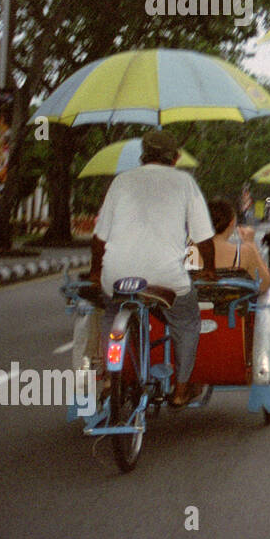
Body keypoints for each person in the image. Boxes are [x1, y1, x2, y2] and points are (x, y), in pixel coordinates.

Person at [90, 129, 215, 407]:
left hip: (117, 276)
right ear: (176, 157)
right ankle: (181, 389)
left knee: (111, 310)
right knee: (186, 321)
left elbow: (99, 239)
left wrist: (96, 272)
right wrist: (210, 269)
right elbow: (204, 237)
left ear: (143, 155)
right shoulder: (185, 181)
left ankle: (111, 380)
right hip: (166, 279)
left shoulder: (121, 181)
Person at [205, 197, 270, 290]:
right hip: (233, 303)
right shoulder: (244, 253)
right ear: (232, 223)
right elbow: (264, 284)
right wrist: (251, 243)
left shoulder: (190, 252)